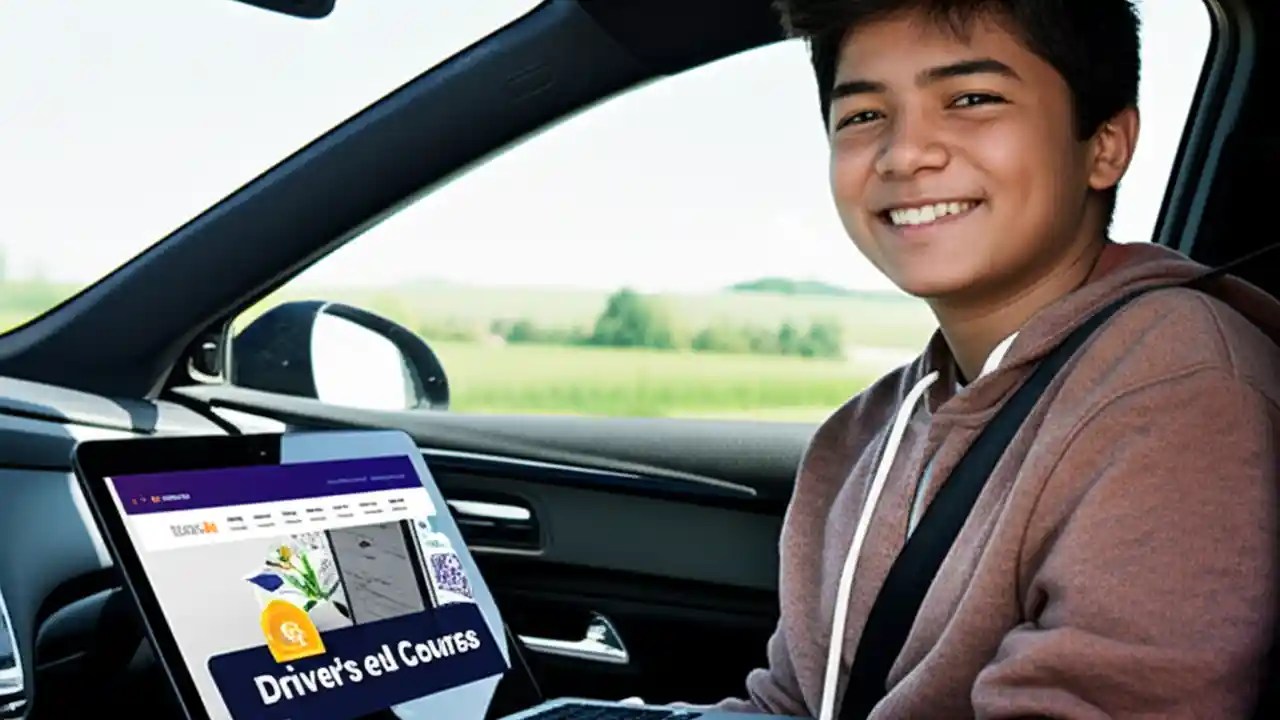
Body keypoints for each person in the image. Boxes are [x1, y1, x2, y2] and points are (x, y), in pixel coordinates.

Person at [700, 0, 1280, 718]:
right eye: (863, 117)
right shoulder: (862, 433)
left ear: (1105, 144)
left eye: (972, 99)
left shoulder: (1184, 397)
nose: (905, 153)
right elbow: (792, 704)